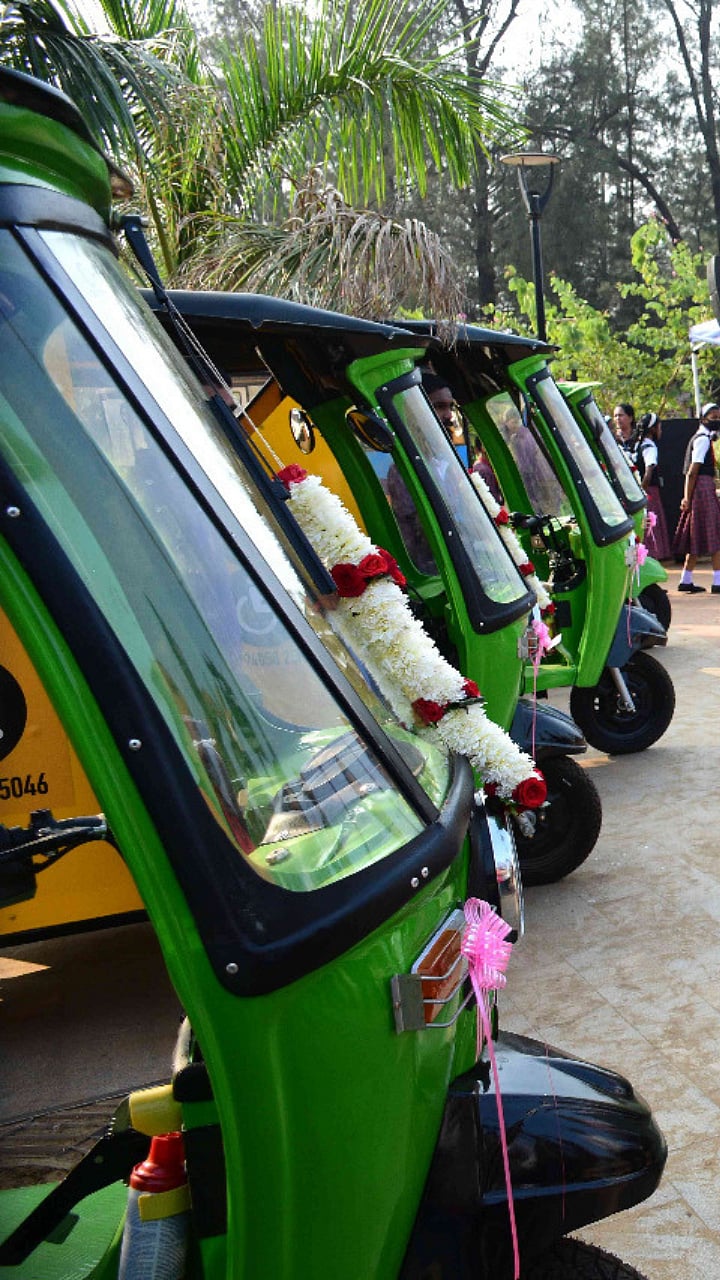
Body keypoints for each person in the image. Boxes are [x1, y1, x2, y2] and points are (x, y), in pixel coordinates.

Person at [672, 401, 720, 593]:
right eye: (713, 417)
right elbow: (692, 472)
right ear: (703, 418)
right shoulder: (701, 439)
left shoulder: (703, 437)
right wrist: (686, 497)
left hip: (699, 489)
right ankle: (717, 582)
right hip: (702, 488)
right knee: (716, 536)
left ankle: (686, 579)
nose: (717, 420)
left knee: (696, 536)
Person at [634, 411, 671, 560]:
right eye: (659, 427)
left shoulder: (638, 445)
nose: (660, 430)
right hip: (649, 491)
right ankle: (652, 555)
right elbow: (649, 471)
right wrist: (643, 493)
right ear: (653, 429)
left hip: (641, 489)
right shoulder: (650, 447)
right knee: (650, 523)